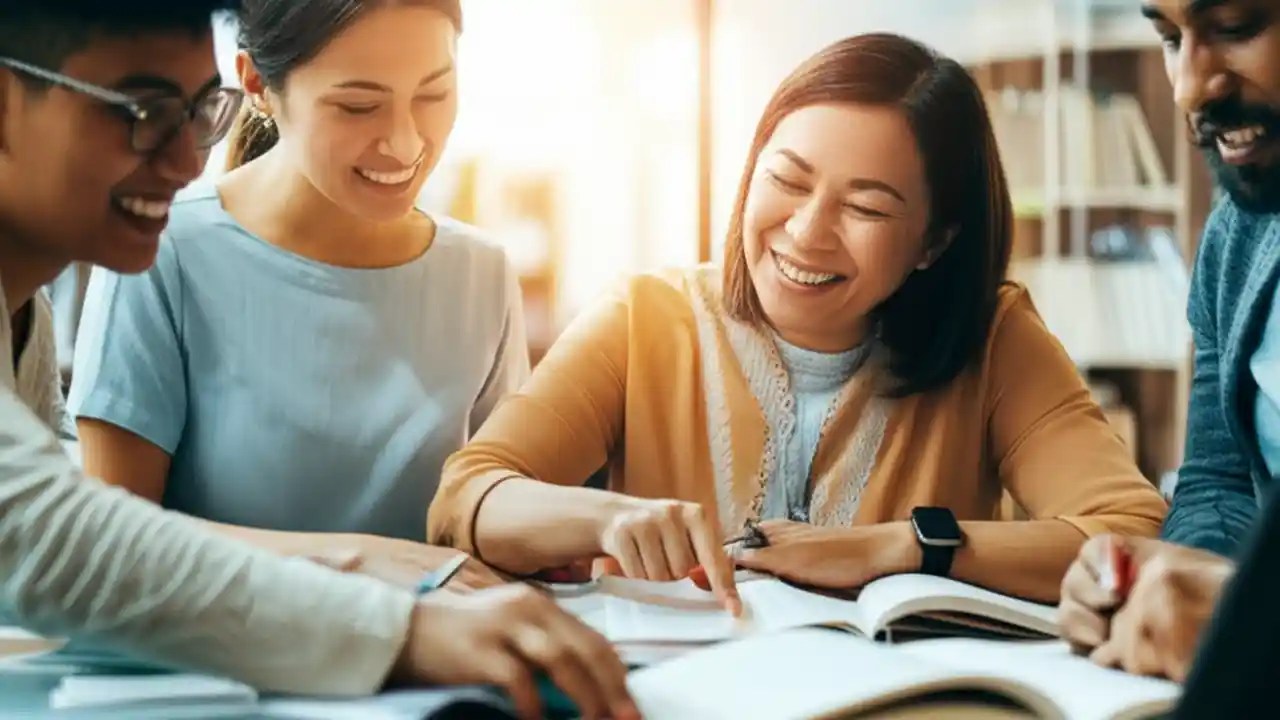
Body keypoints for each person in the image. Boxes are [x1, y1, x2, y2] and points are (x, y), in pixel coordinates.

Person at [0, 3, 636, 718]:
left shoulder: (29, 317)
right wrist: (377, 583)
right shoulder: (166, 252)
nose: (186, 161)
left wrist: (546, 534)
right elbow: (68, 534)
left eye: (199, 111)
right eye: (143, 111)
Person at [427, 32, 1168, 612]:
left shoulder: (995, 338)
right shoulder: (643, 316)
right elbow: (468, 499)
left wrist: (899, 549)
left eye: (867, 207)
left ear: (934, 242)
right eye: (786, 180)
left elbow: (1131, 534)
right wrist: (606, 519)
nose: (808, 232)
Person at [66, 0, 526, 590]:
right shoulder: (162, 251)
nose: (406, 143)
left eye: (434, 94)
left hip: (441, 670)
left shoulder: (479, 273)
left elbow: (496, 514)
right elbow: (112, 543)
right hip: (220, 672)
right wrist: (358, 561)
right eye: (358, 105)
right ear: (257, 83)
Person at [1059, 0, 1280, 681]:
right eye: (1169, 37)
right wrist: (1152, 576)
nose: (1188, 86)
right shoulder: (1238, 231)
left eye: (1237, 27)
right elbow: (1219, 482)